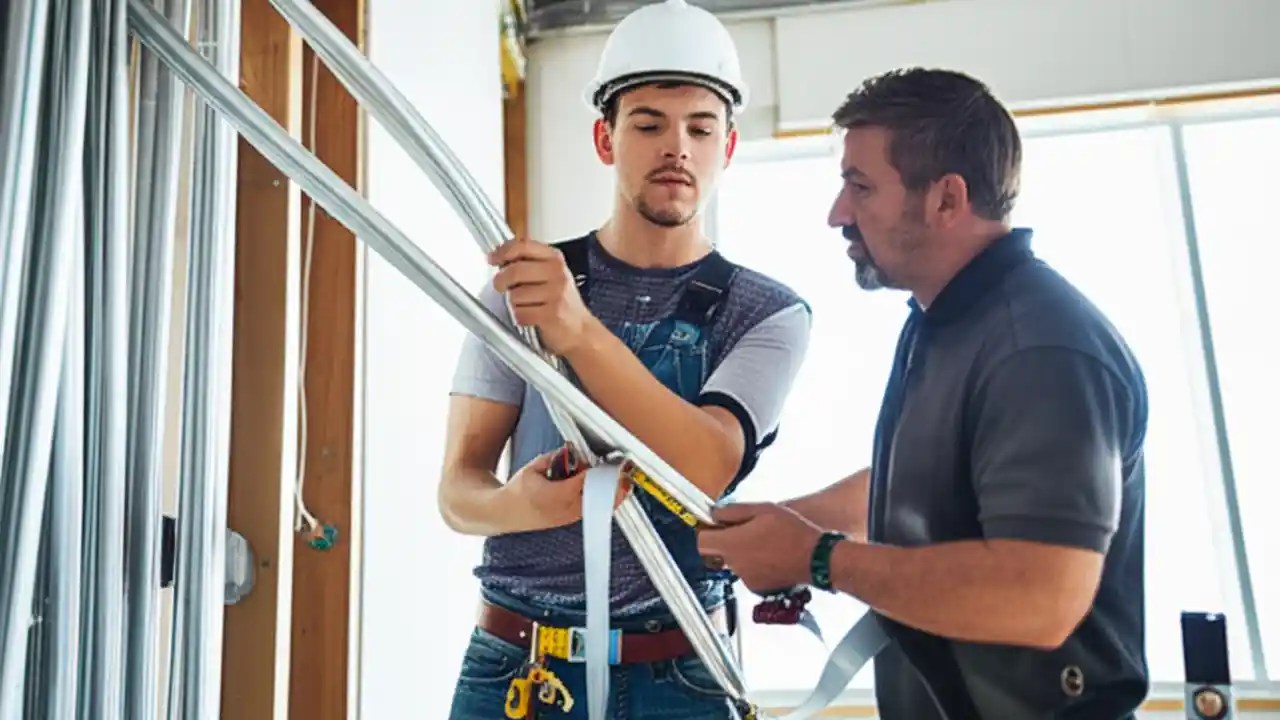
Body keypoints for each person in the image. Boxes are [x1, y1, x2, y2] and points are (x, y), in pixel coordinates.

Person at [697, 67, 1150, 719]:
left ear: (946, 199)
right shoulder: (949, 323)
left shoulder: (1042, 348)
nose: (838, 214)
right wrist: (779, 529)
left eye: (860, 186)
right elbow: (931, 482)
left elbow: (1040, 599)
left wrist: (817, 559)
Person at [438, 1, 811, 717]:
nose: (678, 147)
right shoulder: (516, 292)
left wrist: (576, 333)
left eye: (701, 129)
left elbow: (706, 462)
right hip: (520, 668)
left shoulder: (767, 314)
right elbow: (457, 490)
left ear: (727, 148)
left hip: (682, 675)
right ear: (605, 139)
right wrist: (513, 505)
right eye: (648, 125)